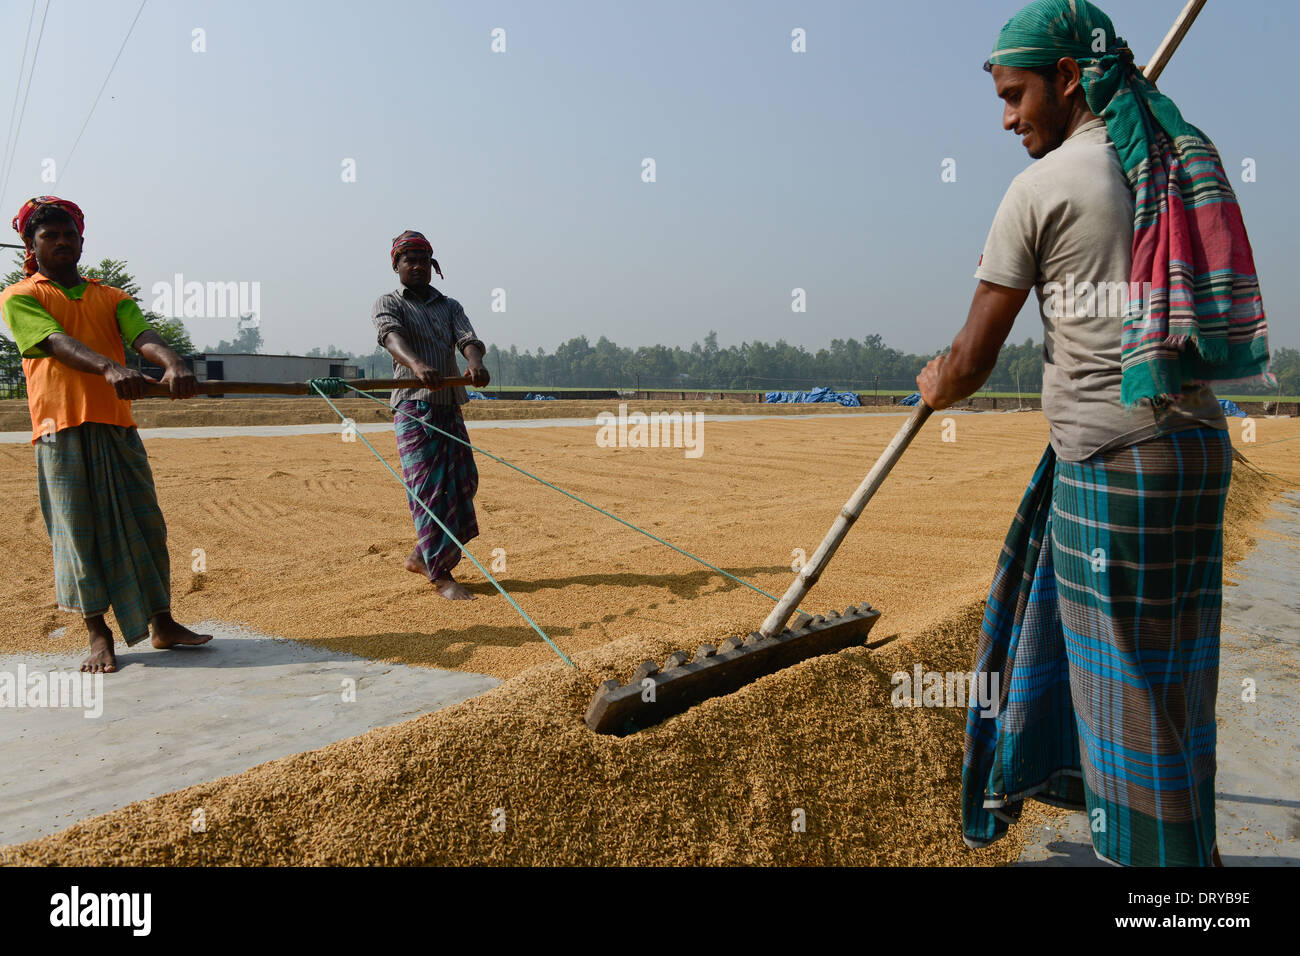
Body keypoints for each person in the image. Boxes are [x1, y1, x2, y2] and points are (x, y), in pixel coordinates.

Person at [916, 1, 1271, 866]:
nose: (1007, 118)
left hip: (1117, 463)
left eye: (1016, 95)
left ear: (1069, 78)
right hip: (1193, 451)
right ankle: (1192, 860)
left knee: (1128, 702)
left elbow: (970, 359)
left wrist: (936, 382)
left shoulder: (1041, 189)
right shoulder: (1162, 159)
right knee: (1176, 679)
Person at [1, 196, 212, 673]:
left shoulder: (112, 297)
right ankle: (98, 635)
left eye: (68, 235)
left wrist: (174, 363)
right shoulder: (20, 296)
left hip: (116, 426)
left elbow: (143, 336)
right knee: (79, 533)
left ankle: (163, 623)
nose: (60, 242)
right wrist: (108, 367)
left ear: (81, 241)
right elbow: (56, 342)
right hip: (59, 431)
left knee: (146, 525)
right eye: (49, 236)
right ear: (31, 247)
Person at [371, 230, 490, 600]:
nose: (418, 266)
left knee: (463, 482)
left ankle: (423, 555)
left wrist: (475, 363)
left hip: (448, 404)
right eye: (410, 260)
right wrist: (417, 364)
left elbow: (468, 339)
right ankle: (440, 575)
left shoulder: (449, 305)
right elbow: (391, 338)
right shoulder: (388, 303)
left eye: (424, 260)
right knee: (428, 491)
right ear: (396, 265)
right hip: (413, 404)